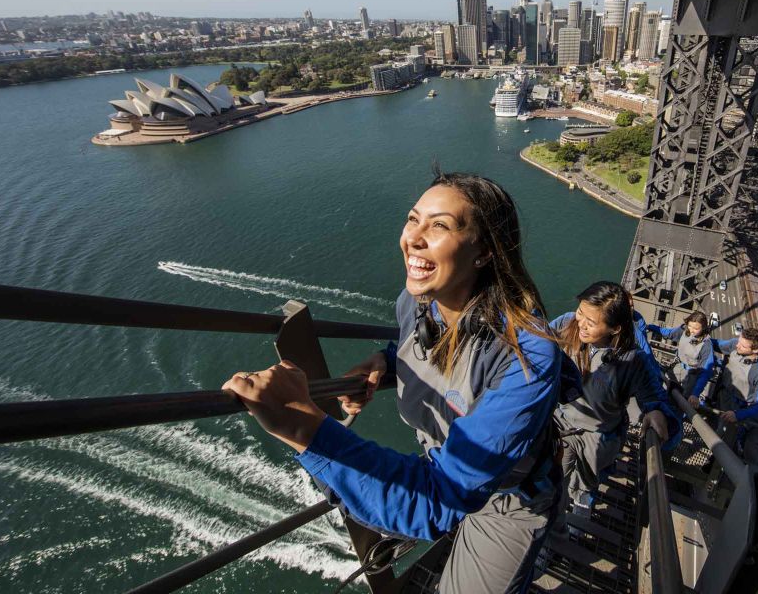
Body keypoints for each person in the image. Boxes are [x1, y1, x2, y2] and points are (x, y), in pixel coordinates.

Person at [223, 172, 563, 594]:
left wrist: (300, 424)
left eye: (439, 225)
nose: (413, 238)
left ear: (484, 253)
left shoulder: (526, 358)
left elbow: (435, 499)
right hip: (447, 466)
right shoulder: (417, 302)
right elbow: (415, 343)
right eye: (412, 219)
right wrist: (384, 361)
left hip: (508, 500)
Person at [549, 282, 679, 513]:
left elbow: (654, 394)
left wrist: (656, 410)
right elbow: (536, 343)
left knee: (584, 485)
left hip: (596, 437)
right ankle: (555, 525)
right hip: (561, 426)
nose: (581, 324)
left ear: (615, 328)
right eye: (580, 312)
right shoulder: (567, 323)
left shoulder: (632, 360)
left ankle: (579, 509)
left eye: (591, 322)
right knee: (553, 482)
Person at [709, 326, 758, 441]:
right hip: (721, 394)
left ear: (755, 350)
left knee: (721, 437)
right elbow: (718, 344)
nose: (737, 346)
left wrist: (738, 415)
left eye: (743, 346)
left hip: (736, 408)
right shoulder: (736, 345)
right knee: (711, 422)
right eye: (739, 341)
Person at [646, 310, 715, 409]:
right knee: (664, 391)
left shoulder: (706, 345)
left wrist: (695, 393)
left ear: (703, 328)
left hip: (691, 376)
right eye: (690, 326)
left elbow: (705, 372)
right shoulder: (683, 331)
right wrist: (651, 327)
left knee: (680, 402)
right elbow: (669, 333)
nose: (691, 330)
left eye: (696, 328)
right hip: (677, 367)